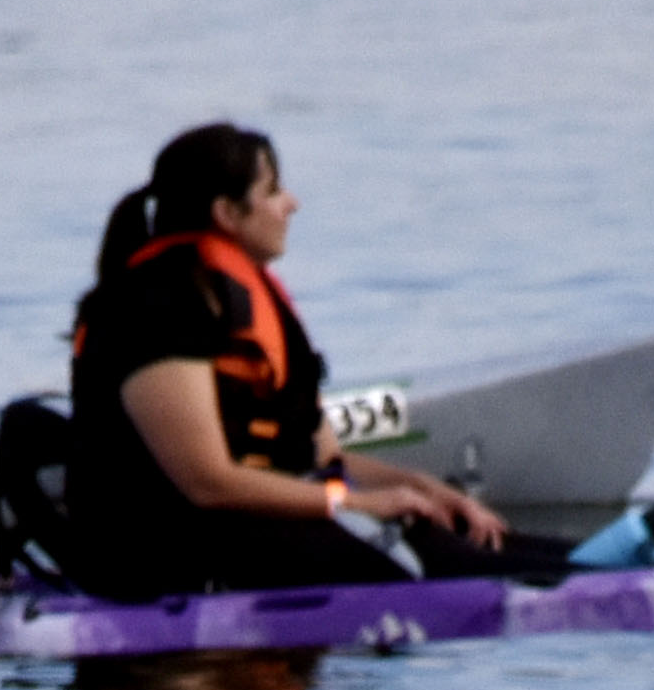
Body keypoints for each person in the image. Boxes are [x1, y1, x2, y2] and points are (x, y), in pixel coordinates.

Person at [56, 122, 511, 598]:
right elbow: (207, 483)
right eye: (273, 191)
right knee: (468, 573)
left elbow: (323, 457)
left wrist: (421, 489)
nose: (291, 204)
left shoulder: (242, 299)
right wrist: (356, 503)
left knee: (493, 549)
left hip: (270, 524)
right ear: (228, 212)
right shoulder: (157, 306)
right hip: (176, 552)